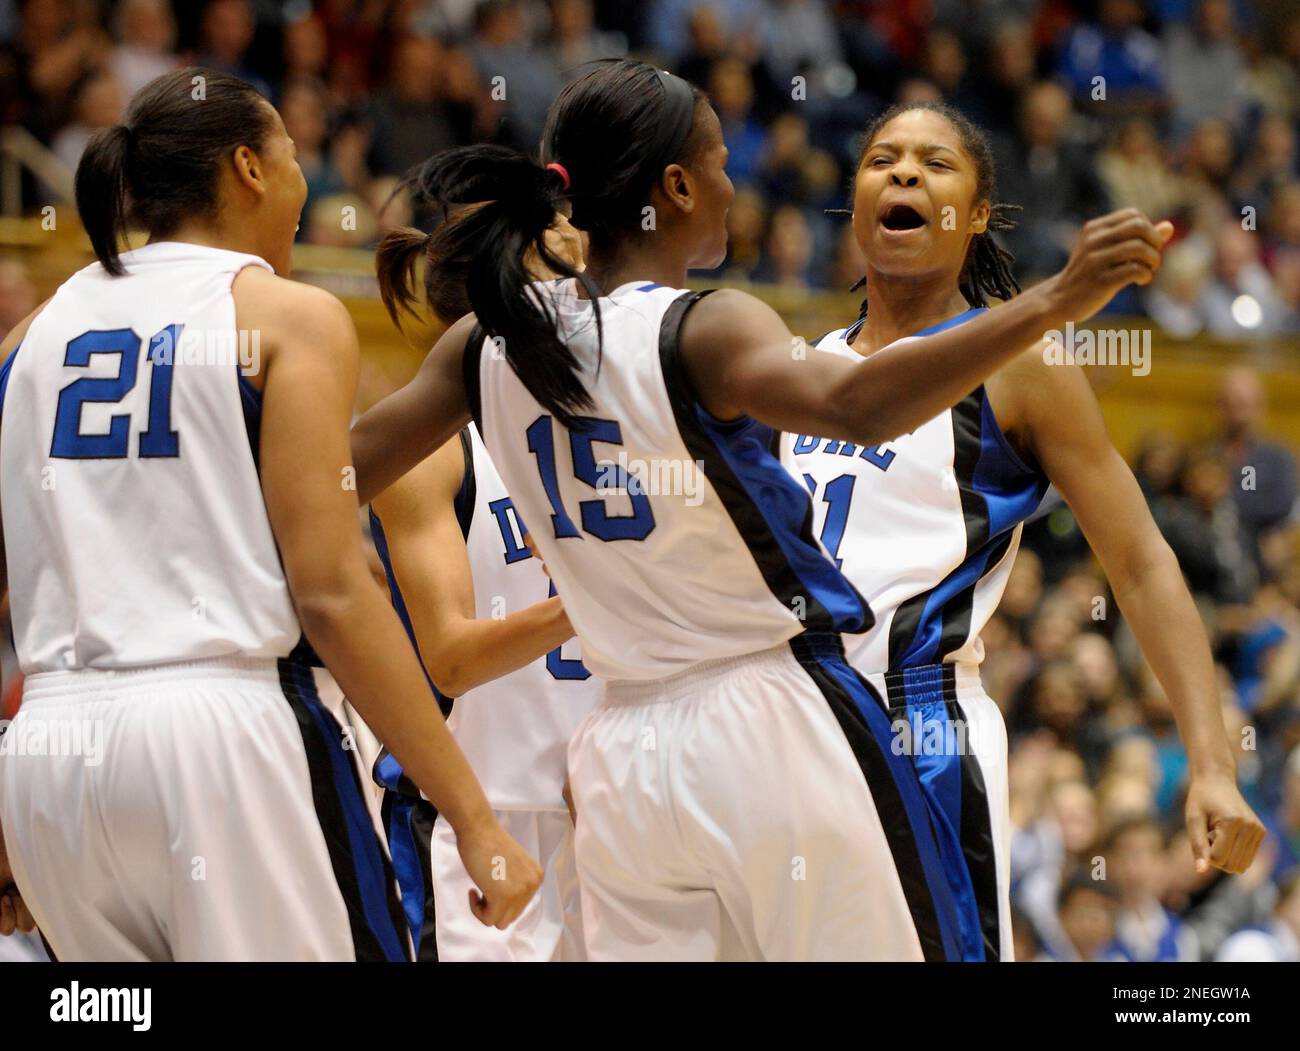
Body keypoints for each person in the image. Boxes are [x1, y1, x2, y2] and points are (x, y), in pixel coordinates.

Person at [350, 58, 1172, 962]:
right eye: (720, 164)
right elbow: (865, 405)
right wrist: (1055, 301)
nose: (734, 184)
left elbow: (332, 471)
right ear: (677, 185)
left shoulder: (485, 342)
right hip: (770, 720)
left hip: (621, 756)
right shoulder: (708, 325)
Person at [0, 68, 540, 962]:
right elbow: (329, 593)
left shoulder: (31, 338)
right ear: (250, 168)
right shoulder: (288, 318)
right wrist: (473, 817)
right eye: (294, 157)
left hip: (52, 752)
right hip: (221, 744)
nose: (301, 186)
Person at [786, 100, 1266, 961]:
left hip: (916, 730)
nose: (902, 173)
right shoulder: (800, 365)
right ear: (854, 202)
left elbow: (1142, 561)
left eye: (934, 164)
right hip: (776, 729)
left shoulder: (1024, 365)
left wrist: (1213, 760)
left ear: (975, 216)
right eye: (882, 159)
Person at [368, 210, 596, 961]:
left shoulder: (608, 430)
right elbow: (451, 659)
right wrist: (601, 597)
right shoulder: (433, 453)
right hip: (479, 818)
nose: (586, 265)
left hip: (606, 811)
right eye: (564, 248)